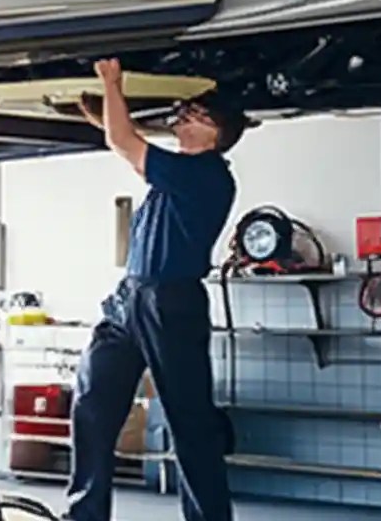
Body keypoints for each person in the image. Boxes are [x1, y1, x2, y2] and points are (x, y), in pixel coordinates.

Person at [65, 58, 252, 521]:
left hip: (172, 303)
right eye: (186, 113)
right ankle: (84, 515)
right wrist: (103, 109)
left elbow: (123, 142)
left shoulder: (207, 175)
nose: (185, 119)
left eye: (198, 116)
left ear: (216, 135)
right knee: (91, 404)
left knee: (190, 423)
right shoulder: (174, 174)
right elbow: (126, 146)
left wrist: (112, 82)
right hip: (129, 299)